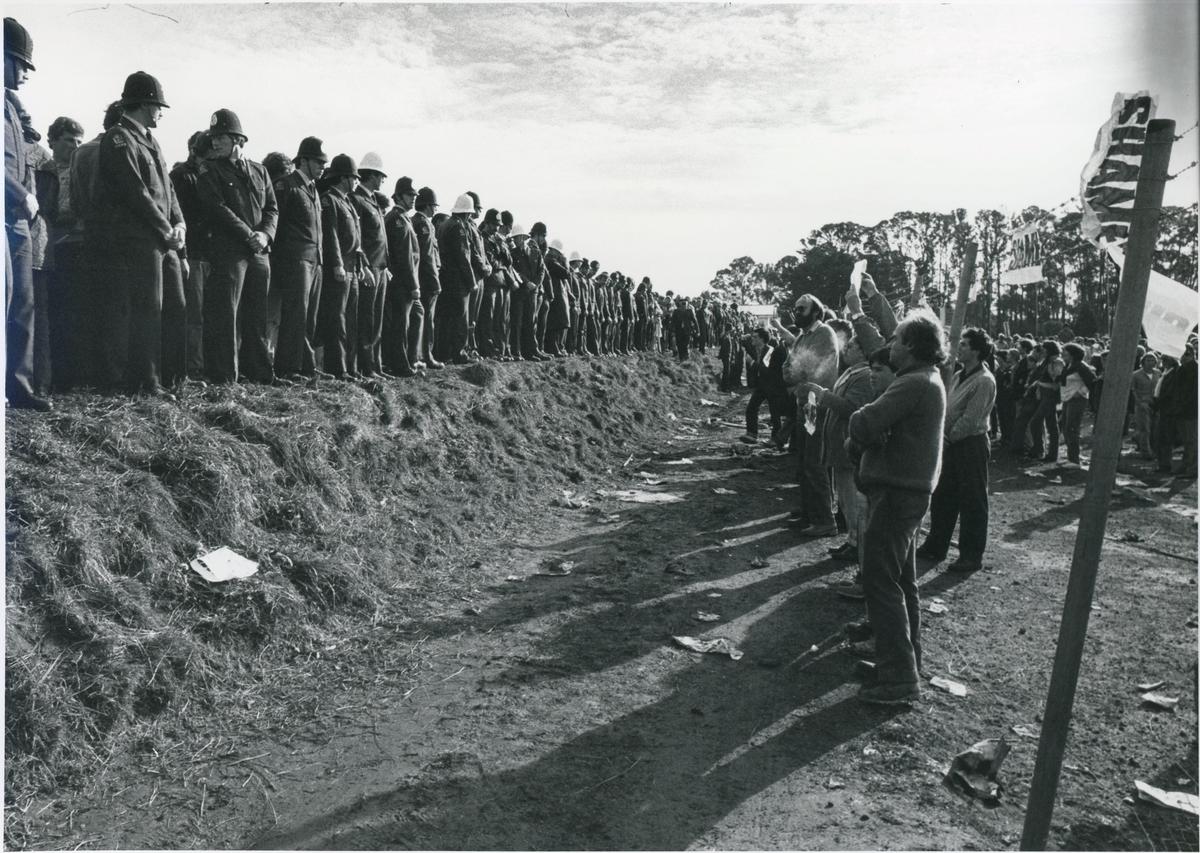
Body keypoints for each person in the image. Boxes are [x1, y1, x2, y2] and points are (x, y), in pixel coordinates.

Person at [846, 311, 948, 705]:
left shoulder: (913, 383)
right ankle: (905, 663)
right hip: (907, 492)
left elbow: (864, 421)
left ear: (914, 346)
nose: (893, 346)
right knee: (901, 581)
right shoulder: (924, 380)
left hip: (897, 493)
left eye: (900, 340)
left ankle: (899, 678)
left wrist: (866, 426)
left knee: (880, 580)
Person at [97, 70, 188, 398]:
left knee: (173, 307)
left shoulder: (152, 141)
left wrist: (179, 224)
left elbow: (168, 189)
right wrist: (166, 229)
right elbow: (135, 192)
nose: (160, 111)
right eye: (157, 105)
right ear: (144, 104)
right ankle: (147, 383)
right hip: (139, 239)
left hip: (164, 240)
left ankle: (173, 377)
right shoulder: (118, 138)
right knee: (148, 309)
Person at [198, 108, 278, 384]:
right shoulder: (209, 170)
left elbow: (271, 209)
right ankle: (224, 377)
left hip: (259, 252)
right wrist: (249, 235)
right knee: (226, 315)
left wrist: (265, 235)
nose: (215, 143)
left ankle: (258, 373)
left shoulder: (260, 171)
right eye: (213, 138)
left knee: (257, 316)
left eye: (221, 137)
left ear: (238, 140)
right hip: (230, 252)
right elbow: (217, 208)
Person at [916, 327, 996, 573]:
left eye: (963, 344)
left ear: (976, 350)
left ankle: (971, 555)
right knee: (943, 495)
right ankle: (936, 545)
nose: (958, 347)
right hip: (949, 442)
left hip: (969, 444)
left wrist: (948, 438)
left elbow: (971, 419)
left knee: (972, 500)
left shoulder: (984, 380)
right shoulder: (959, 375)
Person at [5, 16, 50, 410]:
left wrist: (27, 196)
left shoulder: (11, 107)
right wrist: (21, 194)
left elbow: (22, 163)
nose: (25, 73)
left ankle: (19, 387)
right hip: (5, 214)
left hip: (17, 221)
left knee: (22, 304)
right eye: (19, 62)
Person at [774, 293, 840, 538]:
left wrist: (795, 376)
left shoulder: (823, 334)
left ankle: (825, 519)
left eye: (801, 310)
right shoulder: (804, 336)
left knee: (815, 463)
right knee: (803, 462)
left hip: (815, 405)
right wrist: (792, 375)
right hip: (804, 404)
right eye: (795, 309)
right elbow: (789, 366)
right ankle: (809, 513)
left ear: (815, 312)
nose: (796, 313)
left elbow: (811, 370)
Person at [34, 115, 84, 392]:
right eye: (68, 141)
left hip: (78, 246)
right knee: (55, 312)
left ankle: (71, 377)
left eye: (78, 141)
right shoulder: (43, 170)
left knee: (75, 313)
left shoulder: (81, 170)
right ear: (53, 140)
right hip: (53, 246)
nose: (74, 147)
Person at [270, 136, 326, 380]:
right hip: (295, 259)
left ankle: (306, 365)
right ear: (303, 161)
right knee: (295, 313)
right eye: (318, 162)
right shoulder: (287, 185)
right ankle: (287, 367)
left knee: (309, 315)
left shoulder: (313, 189)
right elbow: (278, 224)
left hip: (315, 260)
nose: (322, 167)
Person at [170, 129, 215, 383]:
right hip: (194, 253)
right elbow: (180, 218)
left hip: (210, 254)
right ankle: (193, 367)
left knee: (207, 313)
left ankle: (204, 364)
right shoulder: (181, 176)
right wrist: (183, 254)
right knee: (194, 314)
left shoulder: (208, 176)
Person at [316, 154, 362, 379]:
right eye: (353, 178)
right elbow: (331, 235)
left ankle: (351, 367)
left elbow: (356, 240)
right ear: (343, 178)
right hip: (341, 268)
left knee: (350, 318)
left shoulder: (347, 202)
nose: (356, 182)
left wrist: (359, 264)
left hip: (352, 267)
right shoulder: (329, 200)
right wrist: (337, 264)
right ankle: (338, 367)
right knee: (337, 319)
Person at [350, 152, 390, 377]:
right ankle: (366, 366)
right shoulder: (357, 200)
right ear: (371, 176)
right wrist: (364, 266)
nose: (382, 180)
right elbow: (358, 238)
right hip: (369, 268)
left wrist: (386, 265)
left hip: (381, 266)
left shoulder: (372, 201)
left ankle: (375, 364)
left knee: (376, 319)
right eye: (380, 176)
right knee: (366, 318)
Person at [382, 175, 421, 377]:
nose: (413, 198)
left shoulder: (402, 218)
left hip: (401, 281)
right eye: (409, 195)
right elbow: (404, 256)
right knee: (399, 325)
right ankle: (399, 365)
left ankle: (398, 362)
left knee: (400, 324)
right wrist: (413, 285)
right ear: (398, 196)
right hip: (401, 282)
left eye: (414, 195)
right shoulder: (397, 219)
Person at [435, 193, 478, 364]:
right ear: (467, 213)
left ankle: (443, 353)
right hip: (457, 280)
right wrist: (472, 281)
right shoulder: (459, 227)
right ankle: (459, 353)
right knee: (460, 318)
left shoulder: (445, 224)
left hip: (445, 277)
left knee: (446, 318)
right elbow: (463, 257)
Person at [741, 328, 788, 446]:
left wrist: (752, 363)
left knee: (775, 414)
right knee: (751, 408)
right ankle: (751, 434)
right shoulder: (756, 350)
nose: (753, 339)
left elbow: (767, 371)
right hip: (762, 385)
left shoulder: (769, 352)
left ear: (762, 339)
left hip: (772, 386)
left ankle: (776, 439)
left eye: (755, 337)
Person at [412, 186, 441, 368]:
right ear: (428, 206)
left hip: (423, 276)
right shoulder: (422, 223)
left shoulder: (420, 222)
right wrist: (434, 279)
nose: (435, 209)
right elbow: (427, 255)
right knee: (427, 319)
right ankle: (426, 355)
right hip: (426, 277)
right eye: (434, 206)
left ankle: (422, 354)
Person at [1059, 342, 1097, 467]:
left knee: (1072, 428)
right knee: (1065, 426)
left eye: (1066, 352)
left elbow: (1092, 381)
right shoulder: (1068, 365)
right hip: (1067, 398)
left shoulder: (1081, 366)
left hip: (1077, 400)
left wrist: (1081, 392)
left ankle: (1074, 459)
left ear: (1073, 354)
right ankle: (1071, 456)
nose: (1063, 353)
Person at [1130, 352, 1160, 458]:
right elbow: (1133, 390)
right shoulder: (1136, 375)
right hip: (1142, 404)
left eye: (1152, 360)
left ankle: (1154, 449)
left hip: (1155, 404)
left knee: (1155, 428)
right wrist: (1139, 402)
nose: (1150, 362)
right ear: (1143, 362)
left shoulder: (1158, 373)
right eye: (1148, 360)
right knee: (1144, 429)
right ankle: (1146, 452)